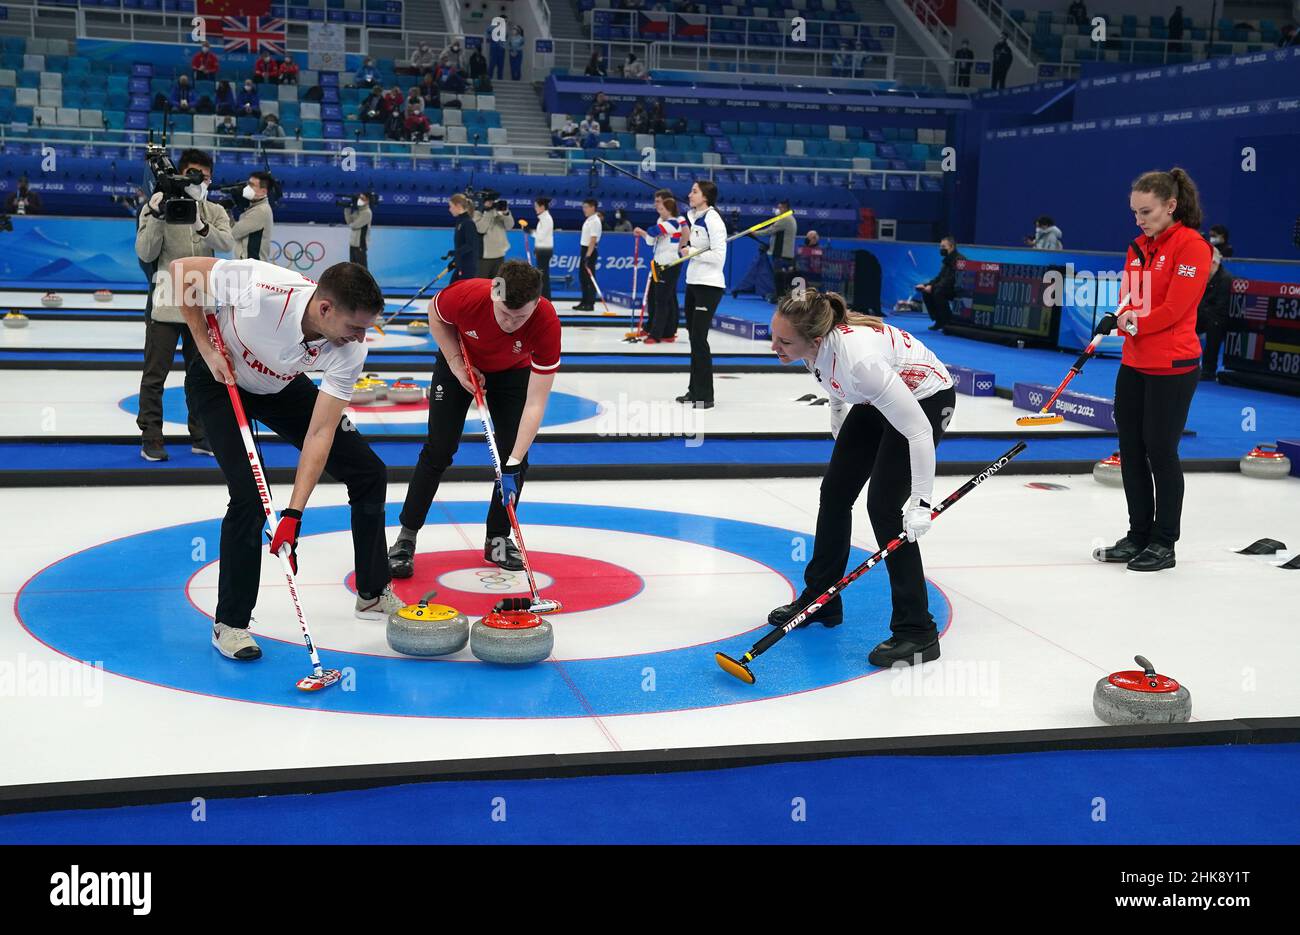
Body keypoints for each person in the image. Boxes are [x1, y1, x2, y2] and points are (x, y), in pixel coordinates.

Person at [172, 255, 398, 661]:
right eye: (355, 327)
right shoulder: (263, 288)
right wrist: (204, 348)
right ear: (324, 308)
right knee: (250, 497)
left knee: (368, 471)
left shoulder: (350, 350)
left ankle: (371, 593)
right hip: (218, 380)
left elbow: (320, 431)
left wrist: (293, 515)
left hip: (280, 387)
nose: (361, 338)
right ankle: (231, 624)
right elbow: (181, 271)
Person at [767, 289, 956, 669]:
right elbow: (831, 380)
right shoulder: (811, 347)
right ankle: (821, 599)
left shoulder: (860, 363)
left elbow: (918, 432)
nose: (775, 347)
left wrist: (920, 502)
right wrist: (837, 415)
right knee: (835, 492)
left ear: (816, 339)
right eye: (773, 337)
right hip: (876, 399)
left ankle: (917, 630)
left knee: (885, 509)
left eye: (784, 342)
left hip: (925, 399)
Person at [387, 261, 561, 577]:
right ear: (495, 293)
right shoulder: (467, 296)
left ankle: (497, 539)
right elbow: (435, 315)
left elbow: (536, 402)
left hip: (512, 373)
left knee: (514, 458)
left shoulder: (546, 322)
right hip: (459, 365)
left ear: (536, 303)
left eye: (519, 317)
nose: (510, 323)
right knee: (439, 449)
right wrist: (455, 363)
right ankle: (406, 538)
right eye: (504, 314)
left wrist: (514, 461)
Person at [1093, 167, 1210, 573]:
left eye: (1146, 212)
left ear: (1171, 206)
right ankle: (1138, 534)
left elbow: (1177, 308)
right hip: (1135, 362)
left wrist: (1134, 322)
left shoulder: (1192, 246)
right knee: (1131, 450)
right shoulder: (1138, 247)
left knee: (1161, 451)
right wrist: (1119, 314)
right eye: (1135, 212)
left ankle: (1164, 542)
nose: (1139, 220)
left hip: (1173, 365)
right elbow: (1130, 297)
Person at [134, 148, 233, 462]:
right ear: (178, 174)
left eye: (203, 176)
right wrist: (157, 215)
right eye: (191, 174)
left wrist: (202, 222)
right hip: (166, 303)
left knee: (202, 376)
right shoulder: (157, 208)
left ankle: (202, 435)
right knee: (155, 374)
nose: (197, 180)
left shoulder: (215, 211)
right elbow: (146, 253)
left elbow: (226, 244)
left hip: (202, 306)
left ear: (211, 179)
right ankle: (151, 437)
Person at [676, 180, 727, 409]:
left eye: (694, 191)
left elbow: (718, 257)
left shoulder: (714, 220)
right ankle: (693, 390)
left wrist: (692, 252)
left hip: (709, 285)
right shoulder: (696, 217)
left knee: (699, 339)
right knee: (693, 339)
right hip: (693, 282)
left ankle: (705, 396)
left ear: (705, 196)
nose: (689, 194)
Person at [633, 189, 683, 343]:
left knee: (662, 300)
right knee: (655, 297)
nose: (658, 210)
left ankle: (657, 334)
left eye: (661, 208)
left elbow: (652, 232)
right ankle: (663, 331)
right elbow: (650, 240)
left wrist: (645, 232)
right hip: (658, 262)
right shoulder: (664, 222)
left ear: (669, 209)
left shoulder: (673, 223)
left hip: (669, 264)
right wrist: (646, 234)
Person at [1196, 245, 1230, 381]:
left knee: (1214, 327)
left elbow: (1220, 308)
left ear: (1213, 263)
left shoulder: (1225, 279)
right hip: (1203, 315)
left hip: (1219, 319)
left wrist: (1200, 311)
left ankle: (1208, 370)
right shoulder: (1201, 277)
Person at [916, 235, 962, 330]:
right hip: (945, 287)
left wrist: (933, 287)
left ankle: (948, 321)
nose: (941, 249)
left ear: (952, 247)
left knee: (938, 292)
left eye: (943, 247)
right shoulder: (946, 261)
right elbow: (939, 277)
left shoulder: (959, 260)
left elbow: (951, 280)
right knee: (926, 292)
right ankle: (939, 320)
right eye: (940, 247)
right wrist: (926, 285)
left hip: (956, 288)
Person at [231, 170, 275, 262]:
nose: (247, 188)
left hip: (253, 267)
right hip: (247, 265)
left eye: (251, 185)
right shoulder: (254, 207)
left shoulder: (261, 210)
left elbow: (234, 233)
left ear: (263, 191)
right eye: (248, 184)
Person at [474, 197, 514, 279]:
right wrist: (488, 212)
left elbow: (509, 226)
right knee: (482, 285)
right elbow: (481, 229)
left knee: (498, 287)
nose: (492, 204)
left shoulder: (500, 214)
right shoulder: (477, 214)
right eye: (489, 202)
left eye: (493, 202)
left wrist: (506, 213)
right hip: (484, 258)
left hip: (499, 256)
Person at [574, 198, 603, 311]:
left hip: (589, 251)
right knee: (583, 278)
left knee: (589, 278)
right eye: (583, 207)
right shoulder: (589, 220)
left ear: (592, 207)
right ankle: (584, 301)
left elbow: (593, 239)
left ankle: (590, 303)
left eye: (586, 207)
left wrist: (588, 255)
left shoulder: (595, 221)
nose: (584, 210)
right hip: (584, 249)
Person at [448, 193, 480, 282]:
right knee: (451, 290)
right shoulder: (460, 221)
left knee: (459, 293)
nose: (449, 209)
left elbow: (470, 245)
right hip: (461, 265)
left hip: (467, 267)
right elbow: (461, 244)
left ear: (458, 206)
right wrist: (455, 261)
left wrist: (455, 253)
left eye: (451, 206)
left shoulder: (468, 223)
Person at [770, 198, 797, 299]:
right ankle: (782, 297)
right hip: (786, 254)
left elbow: (770, 230)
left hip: (781, 254)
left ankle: (780, 297)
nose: (778, 209)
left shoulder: (785, 219)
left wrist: (755, 233)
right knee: (784, 277)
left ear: (785, 208)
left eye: (780, 207)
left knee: (779, 277)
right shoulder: (790, 218)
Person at [533, 197, 554, 300]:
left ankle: (546, 298)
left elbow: (541, 236)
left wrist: (529, 231)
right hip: (542, 250)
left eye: (536, 206)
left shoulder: (546, 219)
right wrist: (536, 248)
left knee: (543, 276)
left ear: (542, 207)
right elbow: (541, 238)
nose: (535, 209)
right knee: (542, 275)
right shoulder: (542, 218)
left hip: (545, 251)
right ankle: (544, 297)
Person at [345, 193, 373, 268]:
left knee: (362, 270)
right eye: (359, 198)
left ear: (367, 200)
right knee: (352, 269)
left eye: (362, 198)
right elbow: (349, 221)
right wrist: (347, 209)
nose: (359, 200)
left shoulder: (367, 212)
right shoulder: (358, 211)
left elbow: (354, 226)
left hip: (360, 245)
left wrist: (351, 224)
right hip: (353, 244)